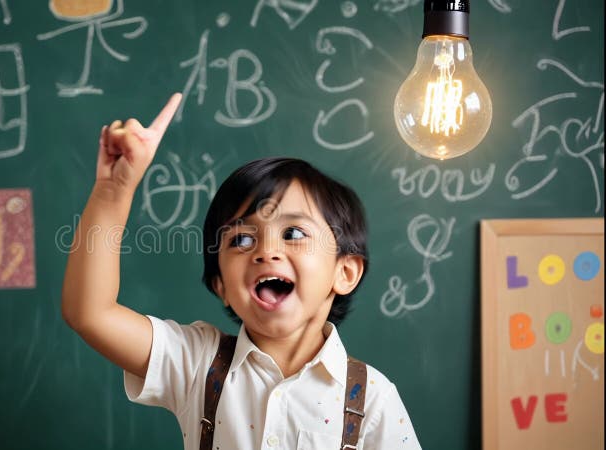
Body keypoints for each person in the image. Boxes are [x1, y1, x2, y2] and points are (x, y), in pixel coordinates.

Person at [62, 93, 421, 449]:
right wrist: (113, 191)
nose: (266, 251)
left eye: (293, 233)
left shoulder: (372, 401)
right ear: (220, 285)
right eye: (241, 240)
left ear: (344, 272)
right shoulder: (197, 364)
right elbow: (90, 314)